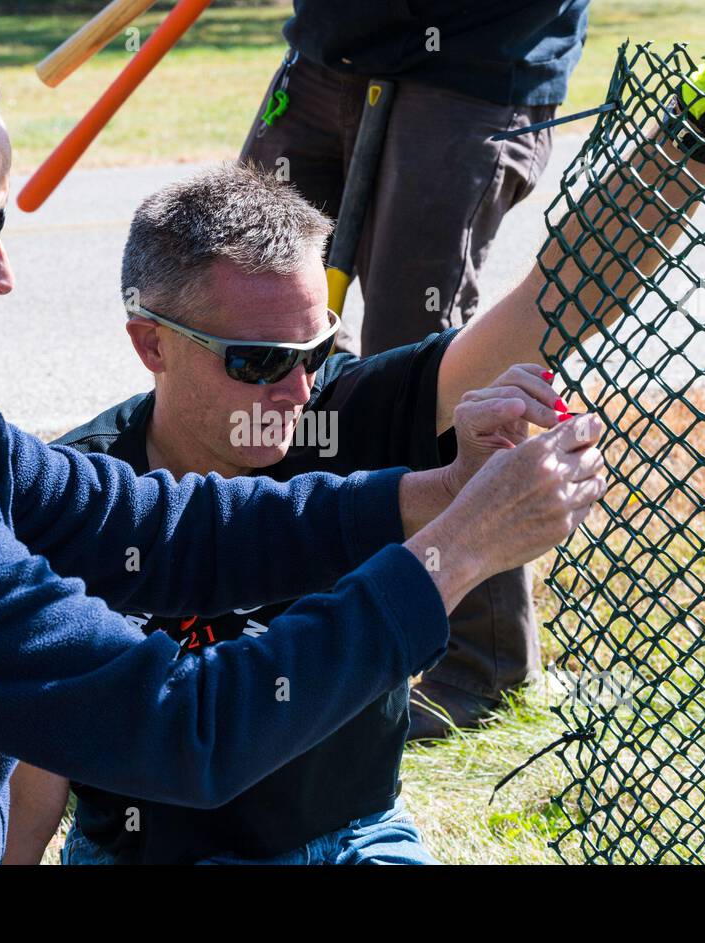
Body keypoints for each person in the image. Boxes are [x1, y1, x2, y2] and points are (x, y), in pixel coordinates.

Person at [0, 15, 606, 864]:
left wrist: (434, 496)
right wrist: (460, 549)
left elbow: (167, 529)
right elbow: (185, 728)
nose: (2, 272)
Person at [5, 0, 705, 863]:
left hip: (355, 837)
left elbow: (554, 303)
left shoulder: (340, 412)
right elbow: (34, 762)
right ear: (152, 344)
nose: (296, 389)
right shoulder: (82, 498)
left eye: (315, 349)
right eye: (255, 362)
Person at [240, 0, 592, 737]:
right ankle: (292, 614)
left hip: (474, 55)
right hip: (334, 46)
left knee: (422, 366)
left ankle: (484, 664)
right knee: (249, 317)